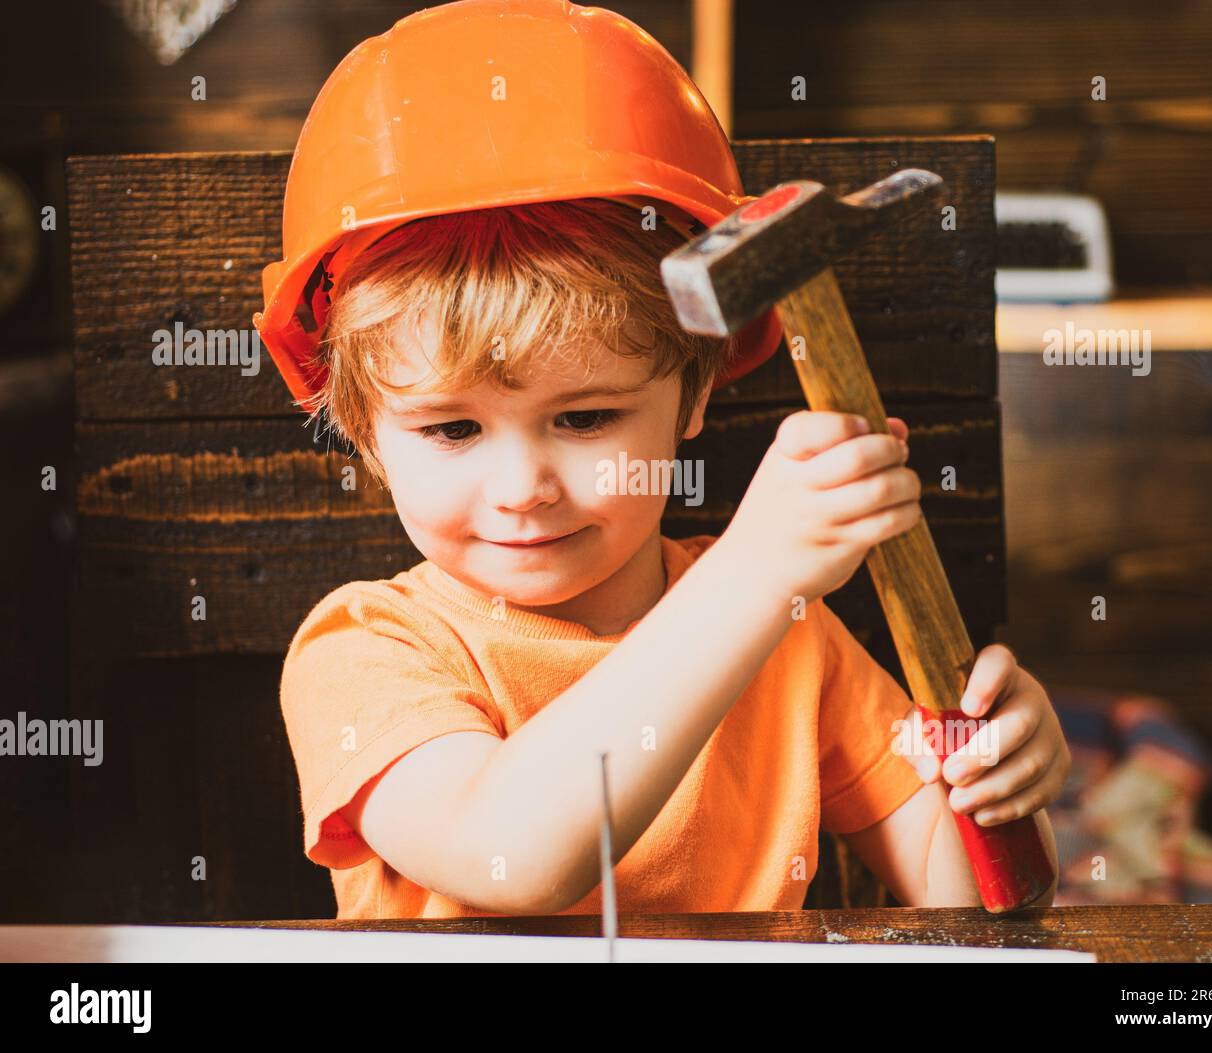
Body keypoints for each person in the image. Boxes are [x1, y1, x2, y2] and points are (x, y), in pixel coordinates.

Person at [254, 0, 1067, 919]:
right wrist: (754, 573)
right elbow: (512, 855)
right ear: (365, 429)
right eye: (451, 430)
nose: (523, 490)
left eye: (588, 417)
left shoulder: (788, 628)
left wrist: (996, 784)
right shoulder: (365, 651)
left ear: (694, 393)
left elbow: (966, 903)